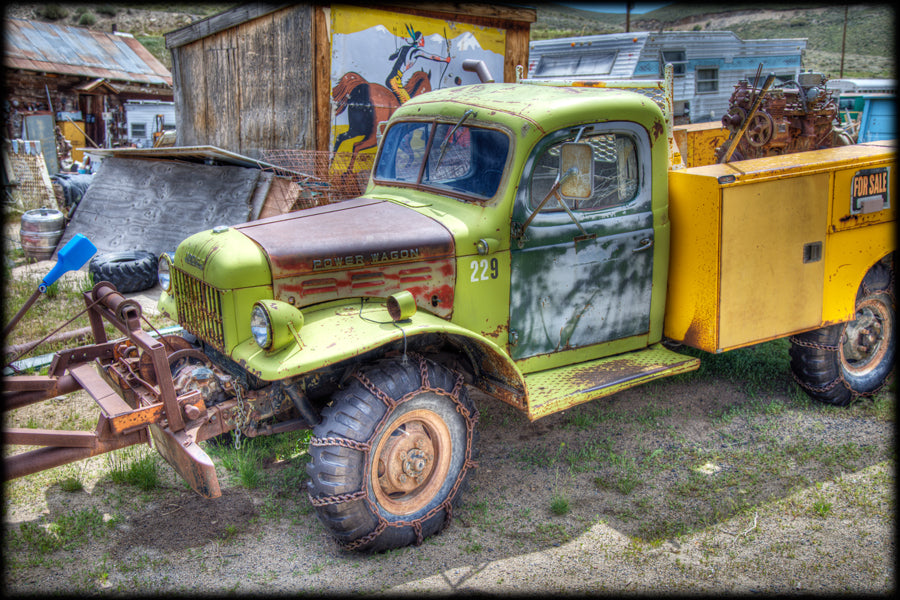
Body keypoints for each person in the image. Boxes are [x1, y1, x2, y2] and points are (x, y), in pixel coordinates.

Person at [386, 24, 449, 103]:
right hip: (395, 80)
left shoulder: (403, 48)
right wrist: (445, 59)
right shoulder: (416, 51)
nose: (423, 40)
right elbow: (432, 56)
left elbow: (391, 58)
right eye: (422, 39)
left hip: (392, 77)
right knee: (407, 104)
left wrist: (396, 52)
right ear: (419, 41)